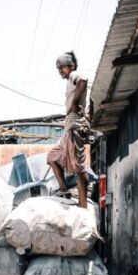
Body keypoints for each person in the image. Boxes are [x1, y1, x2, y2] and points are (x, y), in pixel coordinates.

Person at [47, 50, 91, 208]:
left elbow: (83, 81)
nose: (60, 71)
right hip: (70, 127)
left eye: (62, 67)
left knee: (79, 167)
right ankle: (64, 190)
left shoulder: (75, 74)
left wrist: (73, 104)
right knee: (52, 157)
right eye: (58, 68)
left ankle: (83, 205)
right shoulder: (71, 79)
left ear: (71, 66)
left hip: (75, 126)